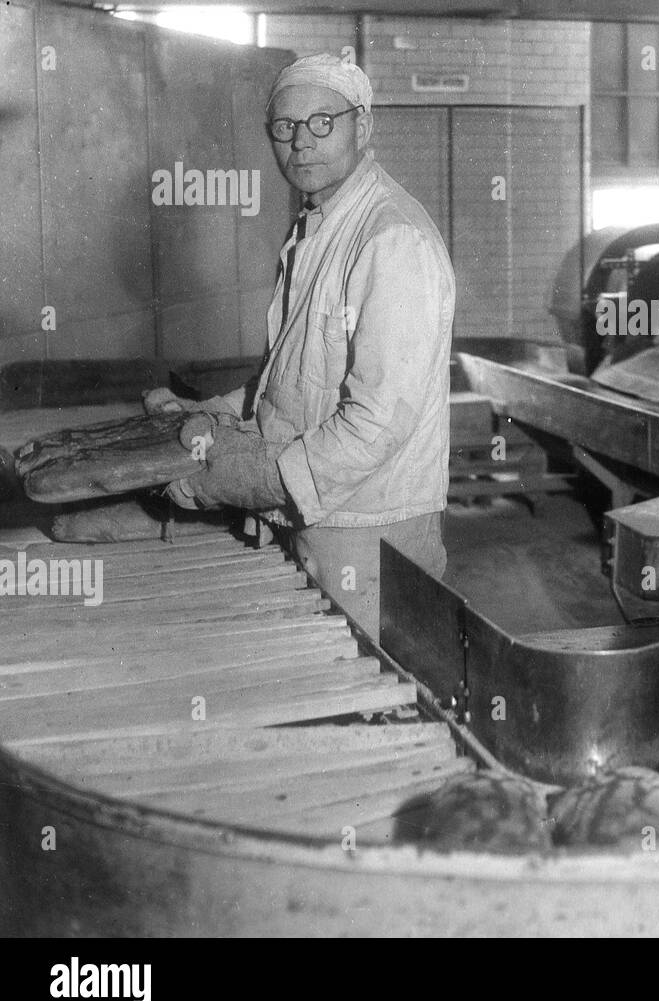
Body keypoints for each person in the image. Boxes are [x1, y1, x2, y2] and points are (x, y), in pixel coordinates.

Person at [144, 53, 455, 639]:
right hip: (319, 513)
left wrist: (252, 477)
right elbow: (290, 379)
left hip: (371, 527)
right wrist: (208, 415)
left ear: (362, 127)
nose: (301, 143)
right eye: (285, 128)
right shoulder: (317, 227)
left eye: (322, 122)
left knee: (370, 700)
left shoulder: (391, 238)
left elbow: (377, 420)